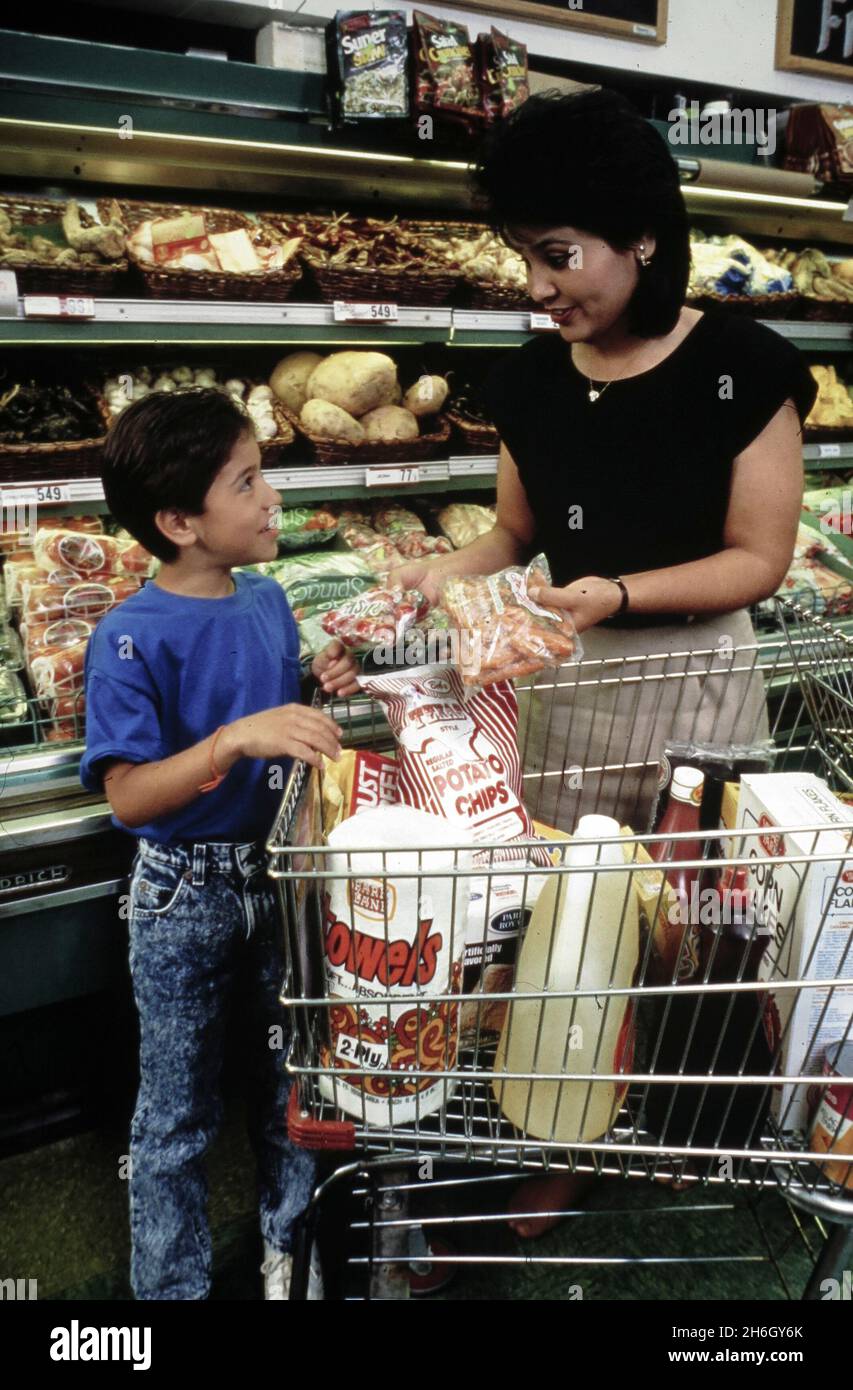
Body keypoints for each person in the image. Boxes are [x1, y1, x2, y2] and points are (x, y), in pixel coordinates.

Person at [390, 88, 817, 1236]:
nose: (536, 285)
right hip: (564, 685)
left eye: (557, 255)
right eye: (523, 257)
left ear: (641, 238)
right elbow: (509, 536)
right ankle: (555, 1123)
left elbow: (758, 559)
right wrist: (435, 574)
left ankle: (650, 1124)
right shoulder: (530, 379)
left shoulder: (742, 364)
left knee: (683, 920)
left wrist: (618, 593)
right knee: (563, 918)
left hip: (691, 682)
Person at [80, 387, 359, 1299]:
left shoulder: (271, 601)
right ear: (179, 521)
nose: (271, 497)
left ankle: (294, 1253)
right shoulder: (126, 636)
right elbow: (128, 797)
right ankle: (169, 1290)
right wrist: (233, 740)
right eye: (247, 482)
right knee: (175, 1114)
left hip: (279, 877)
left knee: (295, 1089)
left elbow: (282, 724)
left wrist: (315, 686)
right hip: (179, 891)